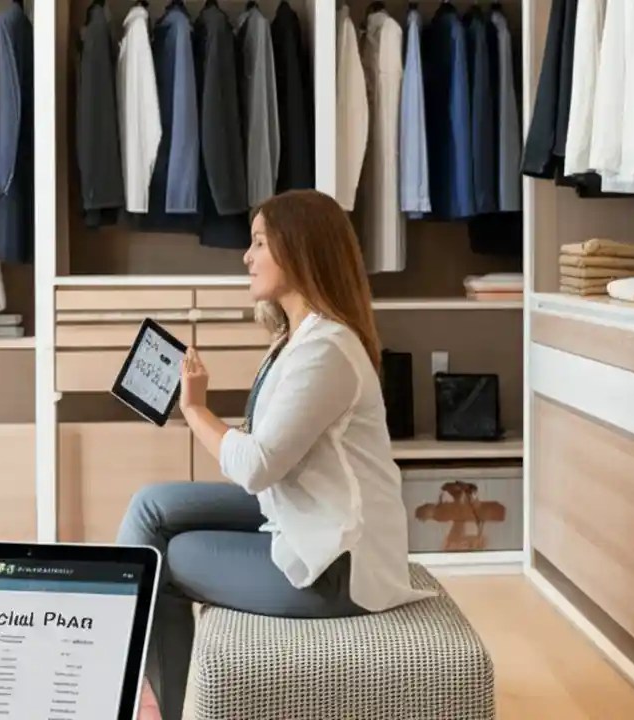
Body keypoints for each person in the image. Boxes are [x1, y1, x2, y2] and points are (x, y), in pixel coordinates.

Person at [117, 189, 433, 719]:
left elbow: (256, 465)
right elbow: (265, 457)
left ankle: (154, 704)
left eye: (259, 242)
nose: (246, 256)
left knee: (161, 565)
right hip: (295, 515)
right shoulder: (296, 338)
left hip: (336, 566)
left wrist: (195, 410)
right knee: (151, 507)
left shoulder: (327, 349)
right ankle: (132, 678)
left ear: (300, 249)